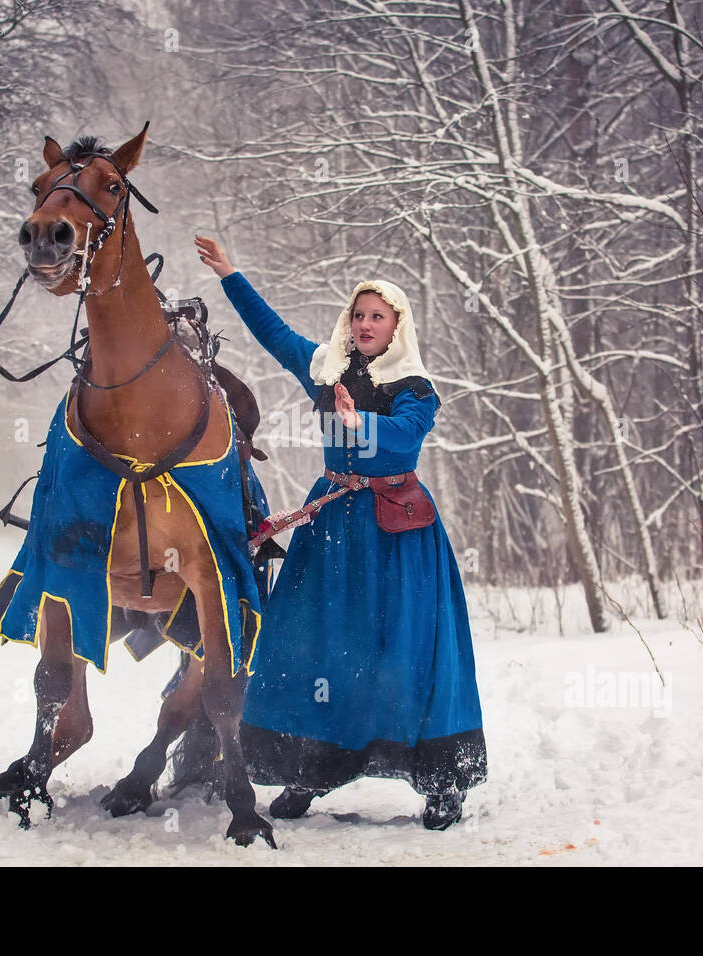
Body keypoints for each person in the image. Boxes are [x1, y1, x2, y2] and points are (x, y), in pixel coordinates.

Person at [194, 235, 486, 829]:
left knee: (405, 650)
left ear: (397, 325)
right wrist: (230, 273)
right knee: (309, 640)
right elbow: (273, 334)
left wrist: (363, 423)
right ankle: (308, 768)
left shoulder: (416, 388)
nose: (365, 323)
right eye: (358, 314)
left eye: (378, 315)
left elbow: (404, 439)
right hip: (331, 523)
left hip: (399, 530)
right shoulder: (327, 372)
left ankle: (440, 783)